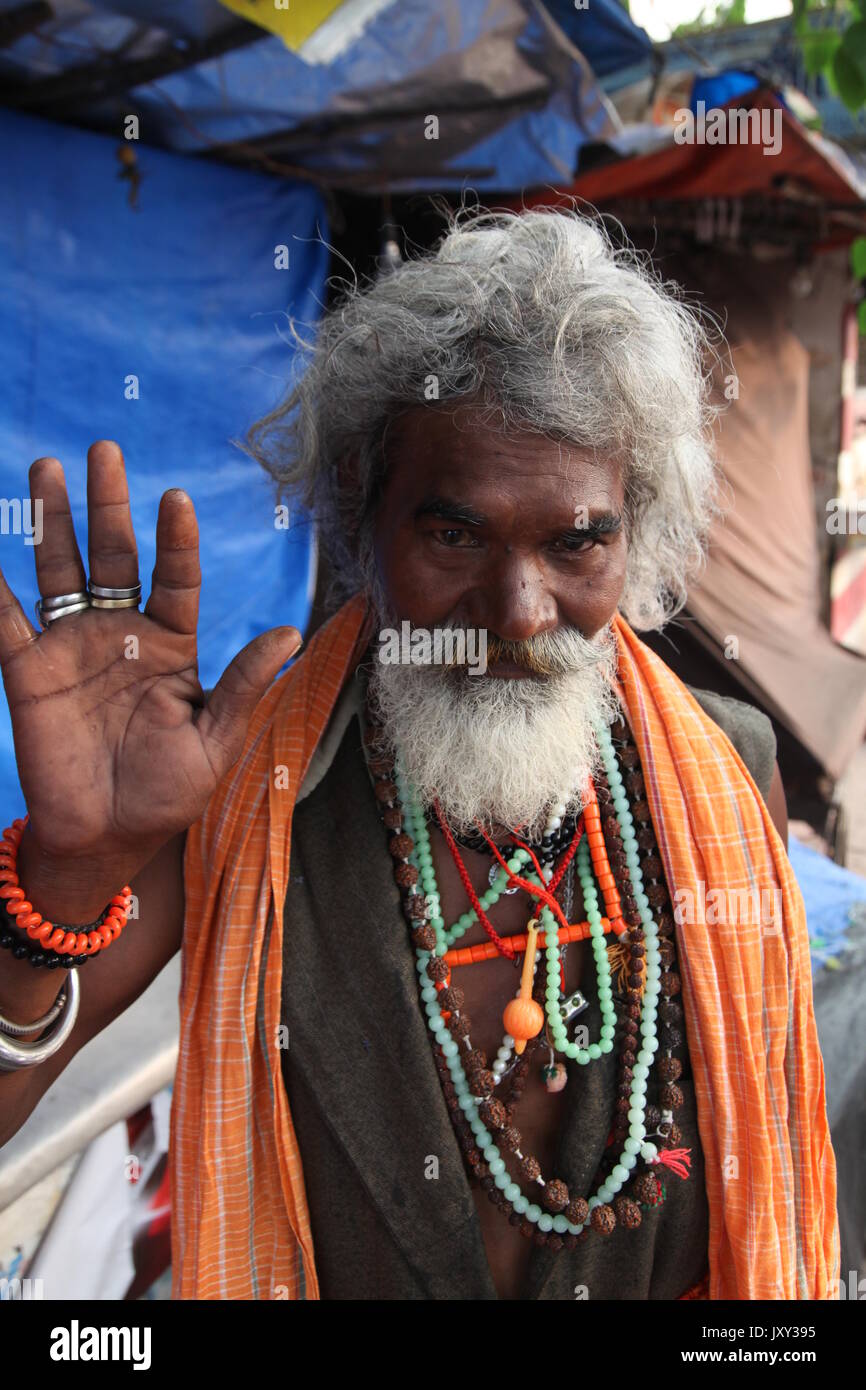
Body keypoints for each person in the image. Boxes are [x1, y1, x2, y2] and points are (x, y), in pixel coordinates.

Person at [0, 209, 838, 1301]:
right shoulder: (240, 785)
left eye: (575, 540)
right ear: (361, 511)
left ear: (635, 534)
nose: (519, 612)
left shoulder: (728, 778)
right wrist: (70, 873)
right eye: (454, 534)